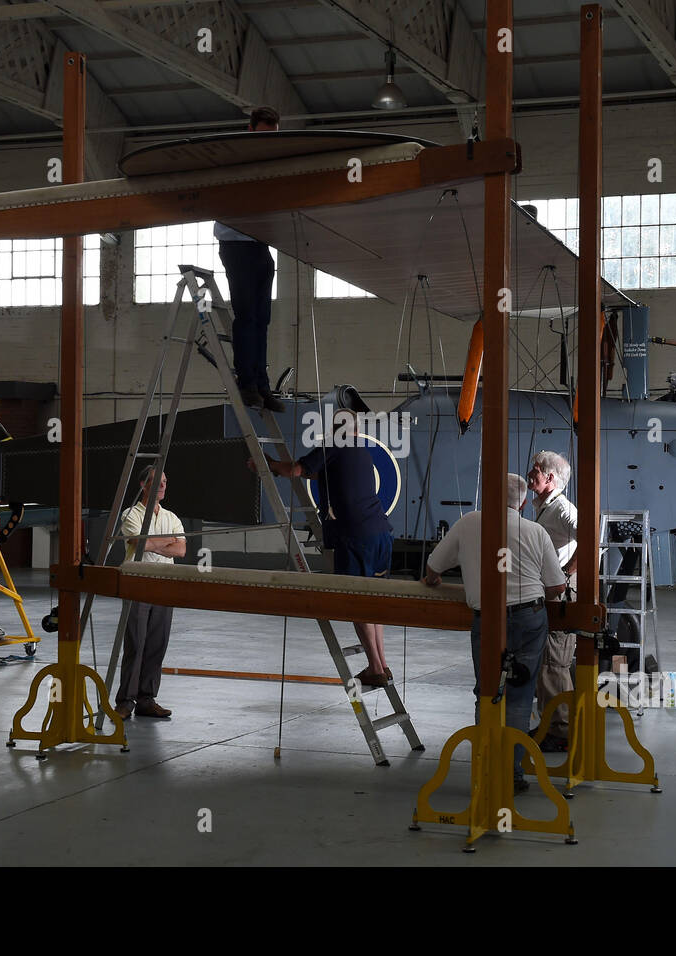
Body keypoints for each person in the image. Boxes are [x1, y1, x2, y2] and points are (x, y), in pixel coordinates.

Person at [422, 474, 566, 791]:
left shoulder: (468, 522)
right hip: (529, 618)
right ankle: (511, 773)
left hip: (487, 619)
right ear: (524, 502)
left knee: (487, 691)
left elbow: (433, 568)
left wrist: (434, 579)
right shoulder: (536, 531)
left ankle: (485, 768)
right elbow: (556, 587)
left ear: (488, 496)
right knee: (520, 695)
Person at [249, 395, 394, 687]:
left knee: (355, 602)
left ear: (336, 428)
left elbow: (297, 470)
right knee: (373, 601)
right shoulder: (360, 449)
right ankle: (381, 664)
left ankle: (375, 668)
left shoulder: (335, 444)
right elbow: (318, 473)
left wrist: (268, 465)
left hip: (354, 536)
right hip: (380, 533)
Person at [216, 105, 284, 413]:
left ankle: (262, 383)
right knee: (247, 317)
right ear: (250, 130)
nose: (268, 142)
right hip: (236, 244)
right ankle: (247, 383)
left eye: (273, 137)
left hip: (259, 245)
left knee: (262, 319)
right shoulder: (235, 159)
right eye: (263, 135)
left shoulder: (270, 163)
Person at [115, 467, 185, 720]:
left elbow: (181, 551)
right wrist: (167, 541)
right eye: (157, 482)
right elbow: (139, 544)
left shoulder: (172, 517)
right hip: (138, 583)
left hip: (165, 584)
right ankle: (125, 701)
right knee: (136, 642)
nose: (163, 486)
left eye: (165, 481)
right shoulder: (130, 514)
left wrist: (156, 542)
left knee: (157, 643)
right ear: (144, 485)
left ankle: (147, 699)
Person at [527, 450, 578, 752]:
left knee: (554, 664)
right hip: (550, 591)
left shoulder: (562, 509)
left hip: (561, 592)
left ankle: (562, 729)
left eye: (535, 469)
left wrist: (566, 573)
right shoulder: (547, 507)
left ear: (550, 477)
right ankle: (551, 725)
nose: (530, 473)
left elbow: (591, 541)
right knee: (546, 663)